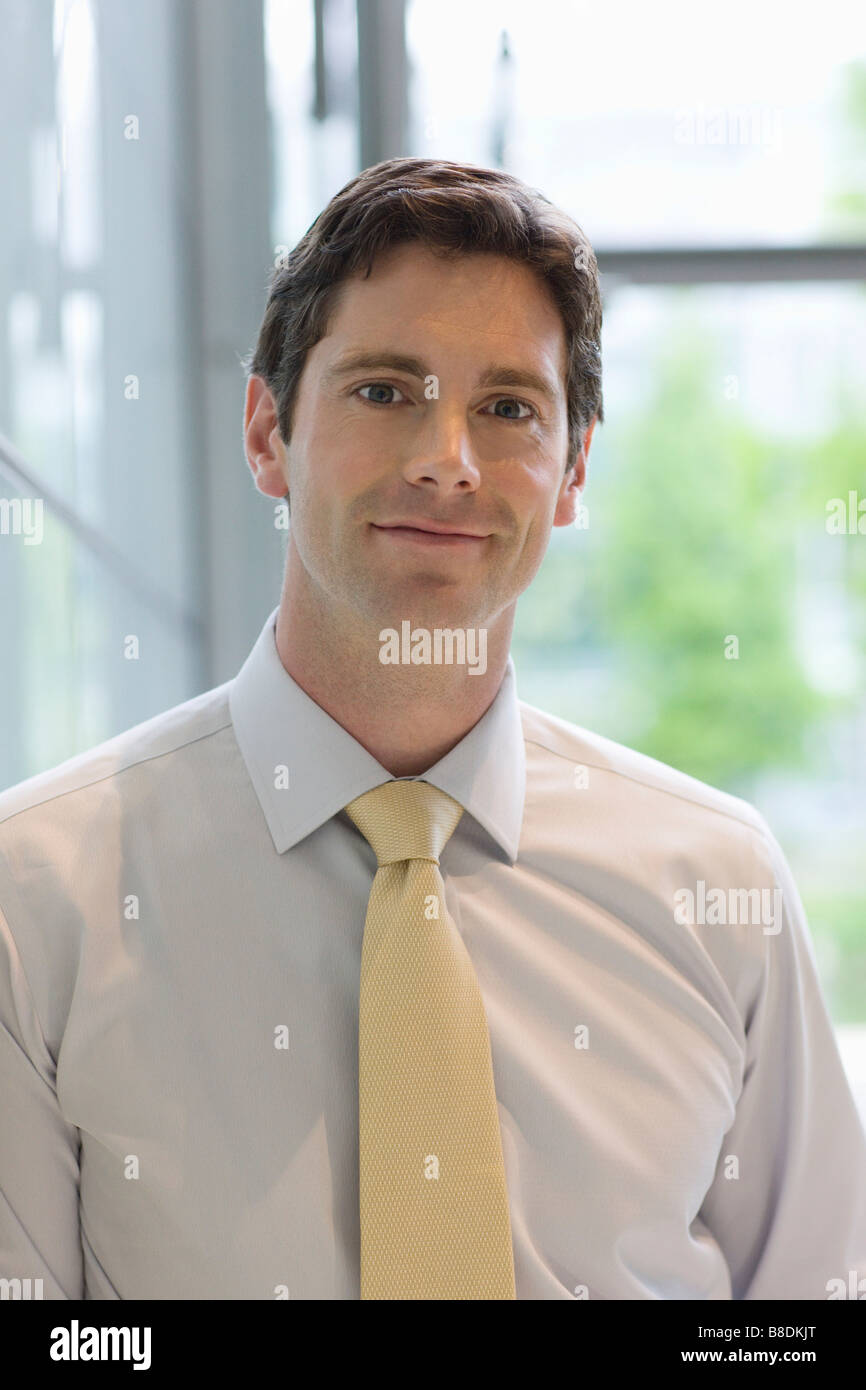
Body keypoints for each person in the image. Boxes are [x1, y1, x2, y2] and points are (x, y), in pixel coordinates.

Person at [1, 157, 864, 1301]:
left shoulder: (718, 885)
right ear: (268, 430)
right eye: (383, 389)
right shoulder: (36, 893)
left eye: (507, 408)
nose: (443, 460)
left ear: (571, 470)